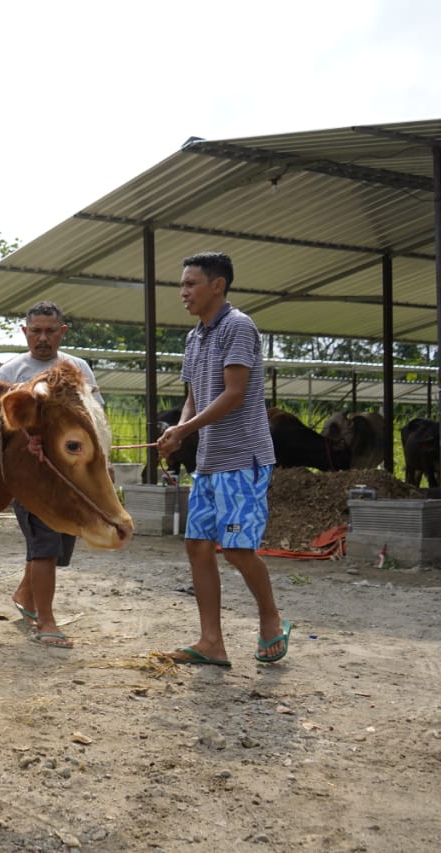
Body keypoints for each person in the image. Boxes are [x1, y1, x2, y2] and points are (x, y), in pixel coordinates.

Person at [156, 252, 292, 667]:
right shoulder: (194, 337)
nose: (183, 292)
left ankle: (270, 620)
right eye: (182, 285)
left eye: (191, 284)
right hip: (210, 463)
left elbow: (234, 393)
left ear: (218, 285)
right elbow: (194, 396)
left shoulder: (238, 327)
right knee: (197, 544)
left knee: (235, 548)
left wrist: (186, 429)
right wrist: (176, 430)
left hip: (242, 458)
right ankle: (210, 642)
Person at [0, 301, 108, 648]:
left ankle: (25, 596)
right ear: (24, 332)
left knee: (59, 545)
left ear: (62, 332)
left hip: (70, 477)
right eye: (36, 331)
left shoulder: (78, 368)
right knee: (44, 546)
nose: (42, 338)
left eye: (50, 331)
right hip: (32, 479)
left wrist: (104, 464)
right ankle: (46, 621)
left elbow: (94, 417)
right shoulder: (9, 373)